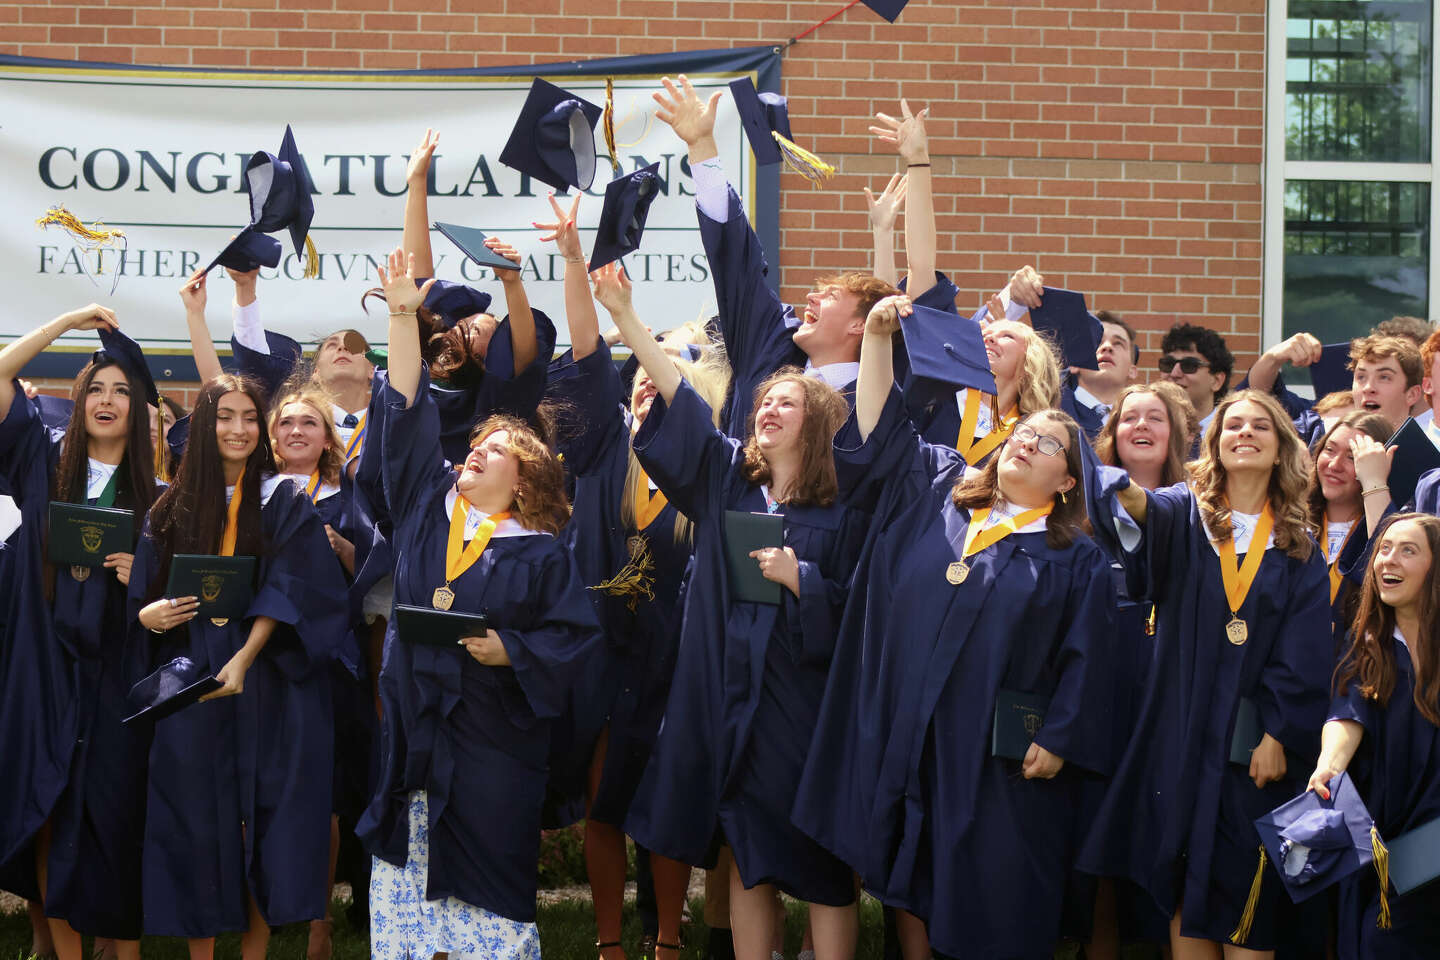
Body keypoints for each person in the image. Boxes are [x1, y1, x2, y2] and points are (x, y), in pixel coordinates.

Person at [793, 293, 1119, 959]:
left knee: (983, 886)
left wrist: (1060, 736)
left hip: (991, 751)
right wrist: (877, 339)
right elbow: (881, 432)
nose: (1026, 442)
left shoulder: (1074, 557)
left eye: (1049, 443)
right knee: (909, 867)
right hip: (911, 726)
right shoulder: (939, 489)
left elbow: (1092, 657)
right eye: (1024, 434)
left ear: (1067, 482)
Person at [600, 258, 868, 960]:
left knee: (821, 869)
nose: (768, 410)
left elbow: (864, 612)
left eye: (787, 403)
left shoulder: (844, 513)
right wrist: (626, 318)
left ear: (818, 424)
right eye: (764, 402)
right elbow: (680, 400)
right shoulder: (729, 483)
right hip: (732, 700)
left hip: (803, 708)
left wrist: (802, 579)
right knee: (748, 857)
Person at [355, 248, 600, 960]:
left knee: (486, 899)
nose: (476, 452)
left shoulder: (541, 553)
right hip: (414, 735)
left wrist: (510, 651)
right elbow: (405, 412)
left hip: (492, 747)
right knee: (407, 895)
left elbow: (574, 641)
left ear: (524, 478)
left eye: (496, 449)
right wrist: (403, 318)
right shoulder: (426, 505)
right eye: (475, 445)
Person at [537, 191, 732, 960]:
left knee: (665, 798)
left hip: (676, 656)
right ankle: (611, 941)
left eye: (666, 373)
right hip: (600, 650)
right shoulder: (601, 450)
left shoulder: (707, 468)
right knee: (603, 800)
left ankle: (669, 939)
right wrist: (574, 262)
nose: (647, 383)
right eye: (643, 376)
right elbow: (588, 356)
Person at [1079, 389, 1333, 958]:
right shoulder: (1187, 513)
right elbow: (1149, 509)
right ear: (1214, 445)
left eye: (1260, 427)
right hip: (1185, 733)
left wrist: (1279, 733)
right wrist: (1119, 486)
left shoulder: (1297, 543)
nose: (1245, 433)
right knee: (1183, 879)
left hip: (1251, 749)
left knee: (1245, 885)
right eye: (1233, 425)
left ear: (1280, 447)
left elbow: (1306, 651)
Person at [128, 371, 350, 960]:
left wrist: (245, 658)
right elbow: (143, 601)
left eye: (251, 417)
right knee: (193, 817)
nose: (240, 428)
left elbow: (295, 586)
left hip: (269, 679)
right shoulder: (170, 508)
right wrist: (150, 616)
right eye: (225, 416)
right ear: (203, 426)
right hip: (191, 680)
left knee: (267, 821)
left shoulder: (283, 499)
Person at [0, 305, 159, 960]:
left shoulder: (158, 495)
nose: (107, 400)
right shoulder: (43, 463)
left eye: (121, 390)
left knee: (116, 814)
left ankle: (120, 950)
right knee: (48, 807)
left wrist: (141, 574)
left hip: (119, 674)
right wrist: (66, 324)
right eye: (96, 388)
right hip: (44, 665)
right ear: (79, 399)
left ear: (137, 409)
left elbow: (176, 595)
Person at [652, 74, 899, 437]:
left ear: (859, 326)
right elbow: (736, 262)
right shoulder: (771, 345)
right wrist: (702, 147)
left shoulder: (879, 407)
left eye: (831, 296)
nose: (811, 297)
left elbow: (892, 310)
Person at [1309, 512, 1440, 957]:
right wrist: (1329, 765)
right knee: (1380, 939)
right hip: (1388, 836)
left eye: (1408, 550)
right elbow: (1346, 714)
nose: (1389, 559)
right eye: (1384, 548)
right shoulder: (1367, 644)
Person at [1008, 266, 1140, 441]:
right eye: (1098, 343)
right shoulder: (1041, 403)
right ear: (1075, 364)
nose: (1107, 347)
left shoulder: (1143, 420)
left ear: (1132, 370)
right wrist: (1013, 303)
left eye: (1119, 343)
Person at [1158, 322, 1235, 456]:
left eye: (1189, 365)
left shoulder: (1233, 436)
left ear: (1217, 380)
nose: (1175, 373)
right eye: (1168, 364)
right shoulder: (1146, 432)